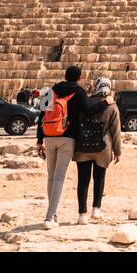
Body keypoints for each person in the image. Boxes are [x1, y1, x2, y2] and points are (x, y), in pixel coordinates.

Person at [35, 65, 90, 229]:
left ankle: (54, 215)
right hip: (67, 138)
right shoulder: (80, 92)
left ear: (65, 76)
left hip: (49, 137)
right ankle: (49, 217)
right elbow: (88, 110)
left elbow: (42, 116)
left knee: (51, 177)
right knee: (59, 178)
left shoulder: (49, 90)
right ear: (79, 78)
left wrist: (39, 140)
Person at [74, 77, 122, 224]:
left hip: (83, 147)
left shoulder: (85, 103)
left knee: (83, 180)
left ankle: (82, 214)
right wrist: (118, 151)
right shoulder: (112, 106)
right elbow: (116, 131)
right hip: (103, 147)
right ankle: (96, 209)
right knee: (99, 178)